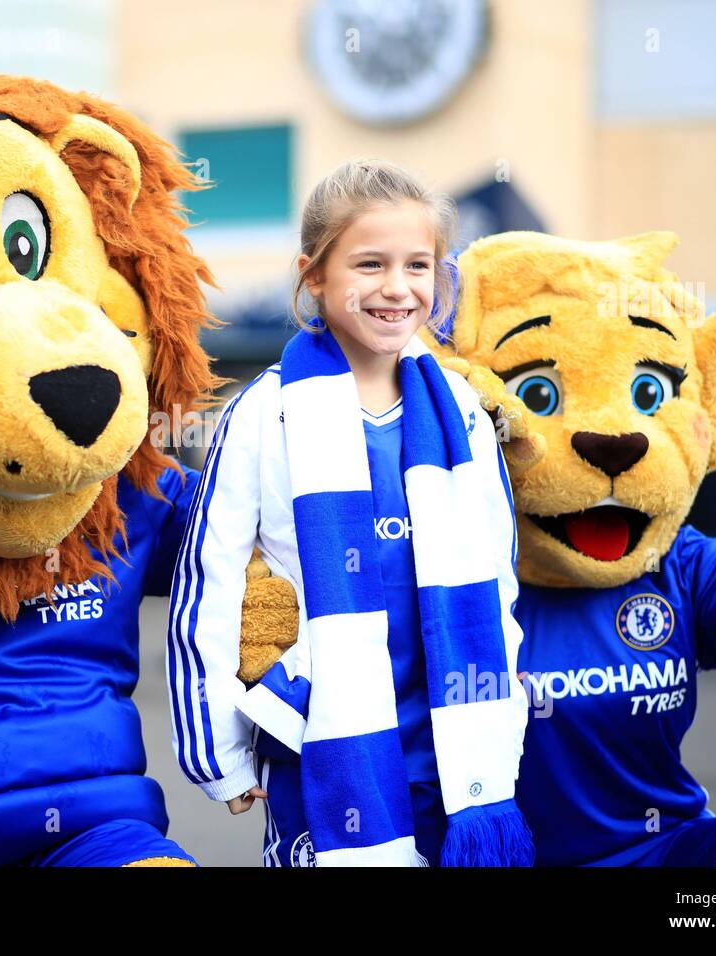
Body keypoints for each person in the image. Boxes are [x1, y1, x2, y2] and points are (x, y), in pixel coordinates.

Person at [167, 159, 532, 866]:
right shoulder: (260, 415)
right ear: (314, 277)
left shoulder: (462, 414)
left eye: (418, 265)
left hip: (454, 751)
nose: (397, 288)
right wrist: (217, 750)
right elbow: (208, 588)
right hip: (323, 749)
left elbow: (498, 579)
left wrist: (504, 699)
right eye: (370, 263)